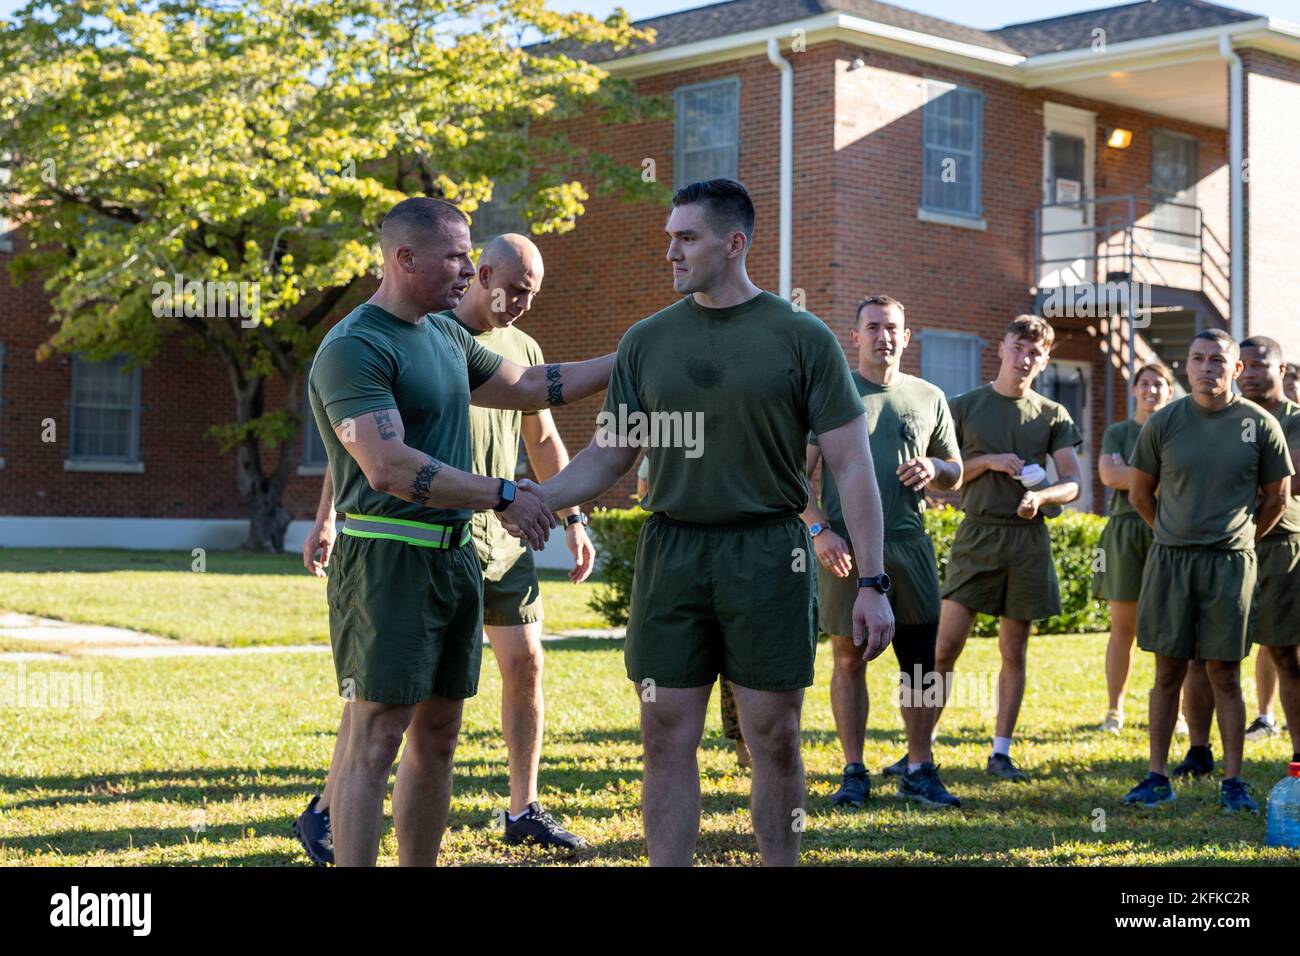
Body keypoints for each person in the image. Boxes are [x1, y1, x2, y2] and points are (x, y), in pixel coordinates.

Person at [529, 179, 895, 866]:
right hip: (672, 551)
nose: (670, 250)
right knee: (665, 733)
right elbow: (610, 452)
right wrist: (539, 498)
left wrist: (873, 581)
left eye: (686, 237)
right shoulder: (645, 341)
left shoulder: (801, 337)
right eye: (669, 236)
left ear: (734, 244)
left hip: (768, 553)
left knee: (775, 734)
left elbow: (851, 466)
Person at [303, 197, 613, 866]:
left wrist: (633, 355)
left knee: (439, 733)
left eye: (470, 254)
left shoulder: (444, 335)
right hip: (387, 560)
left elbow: (531, 384)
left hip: (454, 560)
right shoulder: (356, 346)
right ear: (403, 258)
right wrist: (502, 492)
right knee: (376, 737)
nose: (468, 268)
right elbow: (387, 467)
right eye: (455, 255)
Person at [799, 294, 962, 809]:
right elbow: (794, 477)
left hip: (910, 546)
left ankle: (920, 766)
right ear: (855, 337)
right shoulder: (831, 392)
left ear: (906, 336)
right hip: (845, 545)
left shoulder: (929, 396)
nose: (883, 336)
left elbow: (957, 472)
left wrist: (936, 471)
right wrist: (820, 530)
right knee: (849, 659)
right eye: (872, 327)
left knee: (922, 665)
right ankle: (854, 770)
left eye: (892, 327)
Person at [1122, 330, 1293, 812]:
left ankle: (1234, 782)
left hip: (1230, 564)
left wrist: (1237, 540)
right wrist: (1173, 534)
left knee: (1224, 672)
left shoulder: (1259, 425)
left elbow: (1277, 499)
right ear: (1187, 366)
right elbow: (1140, 494)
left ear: (1236, 369)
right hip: (1171, 561)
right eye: (1197, 359)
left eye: (1218, 360)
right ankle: (1157, 775)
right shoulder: (1165, 422)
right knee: (1168, 669)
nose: (1206, 368)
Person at [928, 315, 1083, 785]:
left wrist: (1042, 497)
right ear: (1001, 348)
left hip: (1027, 540)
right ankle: (921, 749)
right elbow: (942, 473)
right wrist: (989, 462)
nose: (1025, 358)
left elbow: (1074, 484)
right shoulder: (964, 406)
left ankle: (1001, 751)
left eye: (1035, 352)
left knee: (1014, 650)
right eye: (1018, 347)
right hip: (977, 535)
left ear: (1045, 359)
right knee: (944, 648)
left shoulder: (1053, 415)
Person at [1169, 335, 1300, 780]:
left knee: (1284, 653)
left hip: (1278, 548)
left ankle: (1298, 754)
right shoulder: (1219, 418)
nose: (1255, 371)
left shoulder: (1285, 421)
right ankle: (1199, 750)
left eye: (1264, 364)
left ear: (1281, 370)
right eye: (1248, 363)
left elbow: (1283, 484)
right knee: (1202, 655)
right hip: (1217, 554)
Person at [1093, 363, 1175, 734]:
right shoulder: (1119, 432)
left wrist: (1136, 477)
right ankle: (1115, 710)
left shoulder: (1179, 430)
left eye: (1159, 384)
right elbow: (1110, 476)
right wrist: (1162, 479)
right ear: (1134, 390)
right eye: (1144, 383)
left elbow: (1187, 479)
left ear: (1170, 391)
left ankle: (1178, 713)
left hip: (1170, 532)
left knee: (1172, 628)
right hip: (1125, 532)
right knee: (1122, 627)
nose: (1151, 390)